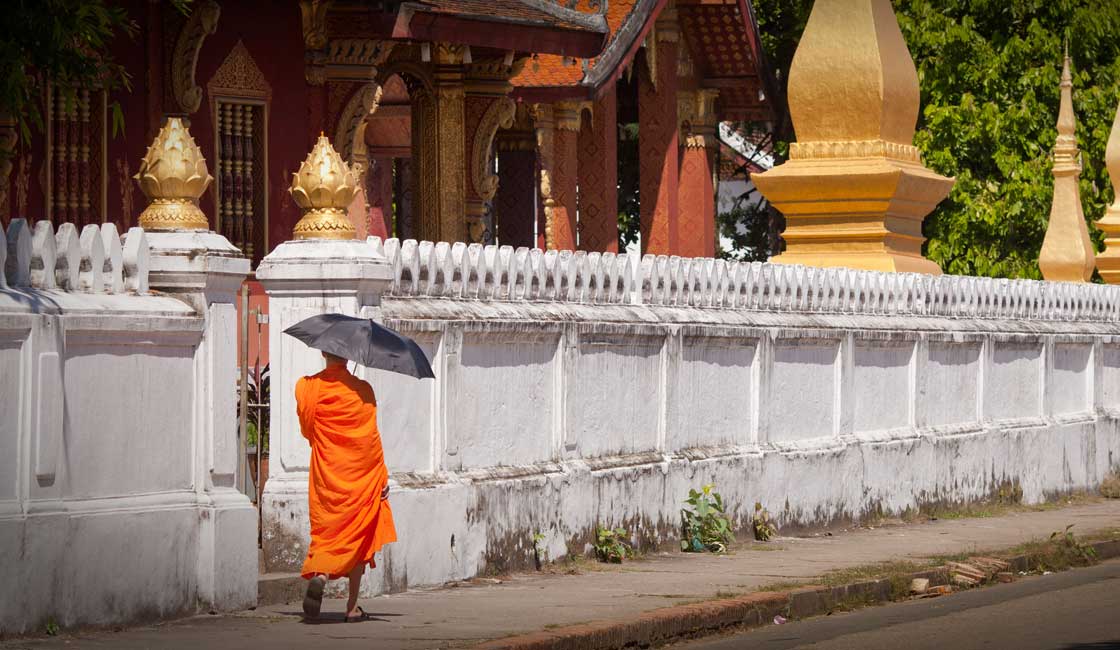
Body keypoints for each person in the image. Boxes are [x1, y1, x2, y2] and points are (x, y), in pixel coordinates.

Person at [295, 351, 396, 622]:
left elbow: (308, 430)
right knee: (359, 536)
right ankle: (352, 607)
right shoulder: (363, 390)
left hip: (327, 475)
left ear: (322, 352)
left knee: (327, 531)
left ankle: (321, 573)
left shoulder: (307, 387)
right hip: (360, 477)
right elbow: (371, 440)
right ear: (349, 357)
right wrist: (381, 477)